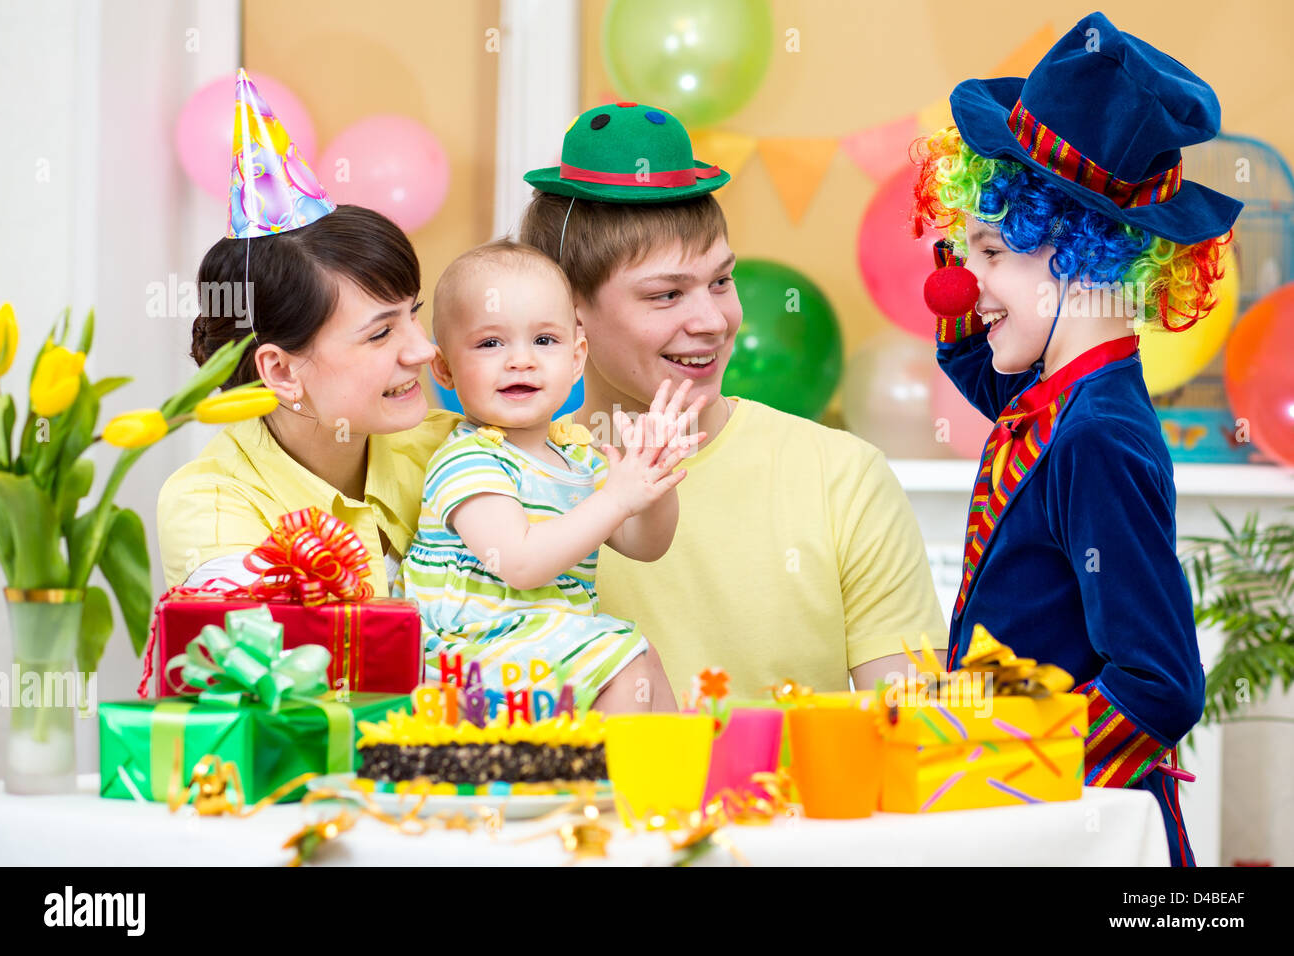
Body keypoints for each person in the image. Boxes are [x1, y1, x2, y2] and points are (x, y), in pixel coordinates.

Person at [910, 12, 1241, 865]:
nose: (961, 284)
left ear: (1081, 256)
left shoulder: (1096, 435)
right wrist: (973, 256)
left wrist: (999, 770)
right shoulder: (1061, 395)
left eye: (989, 251)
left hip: (1075, 831)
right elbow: (986, 376)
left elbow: (1160, 684)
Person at [519, 101, 948, 699]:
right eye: (666, 295)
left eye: (721, 281)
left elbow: (917, 735)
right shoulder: (503, 485)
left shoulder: (841, 478)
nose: (714, 321)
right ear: (567, 313)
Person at [157, 70, 460, 596]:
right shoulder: (211, 502)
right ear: (280, 370)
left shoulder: (450, 450)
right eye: (379, 334)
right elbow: (279, 662)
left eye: (413, 313)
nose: (423, 348)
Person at [397, 240, 701, 712]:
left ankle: (660, 777)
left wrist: (651, 479)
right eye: (490, 343)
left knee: (642, 659)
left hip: (541, 648)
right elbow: (519, 562)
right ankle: (607, 780)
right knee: (625, 657)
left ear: (577, 358)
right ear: (444, 368)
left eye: (544, 341)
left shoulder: (577, 456)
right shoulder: (469, 458)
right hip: (469, 656)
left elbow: (647, 544)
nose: (521, 360)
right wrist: (616, 500)